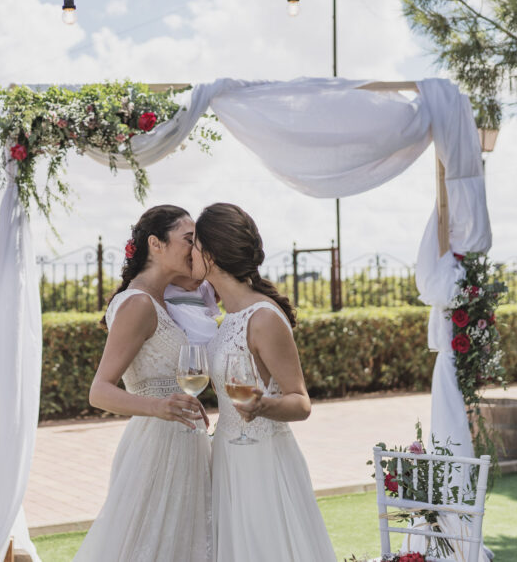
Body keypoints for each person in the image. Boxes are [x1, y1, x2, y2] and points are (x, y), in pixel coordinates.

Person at [195, 202, 336, 562]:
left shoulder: (263, 318)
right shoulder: (228, 317)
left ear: (210, 255)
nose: (189, 252)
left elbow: (300, 402)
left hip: (263, 462)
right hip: (228, 456)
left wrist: (263, 406)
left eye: (194, 244)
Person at [73, 205, 212, 562]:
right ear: (156, 244)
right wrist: (159, 406)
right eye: (189, 240)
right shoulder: (138, 304)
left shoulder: (162, 299)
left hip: (182, 441)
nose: (195, 249)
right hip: (157, 447)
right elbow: (99, 390)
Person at [164, 276, 220, 346]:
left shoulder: (202, 287)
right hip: (186, 348)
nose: (199, 275)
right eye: (191, 267)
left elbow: (219, 294)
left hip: (215, 343)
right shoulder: (163, 288)